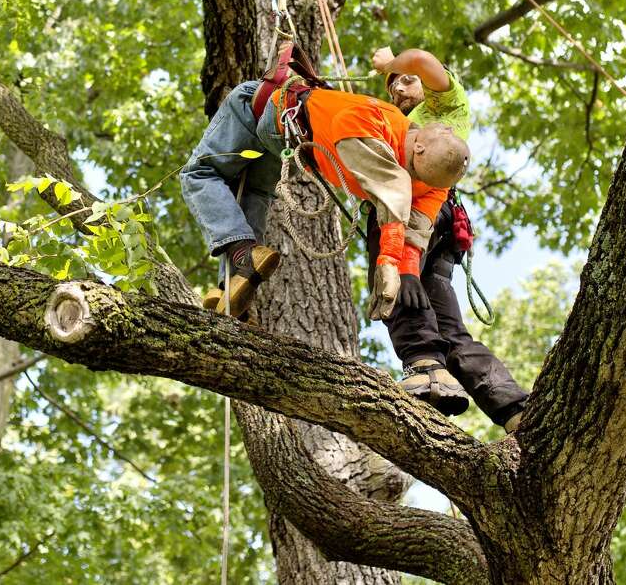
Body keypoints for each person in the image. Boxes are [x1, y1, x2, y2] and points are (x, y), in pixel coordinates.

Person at [179, 43, 470, 328]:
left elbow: (396, 197)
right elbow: (411, 229)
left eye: (443, 130)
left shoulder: (380, 121)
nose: (444, 126)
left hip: (270, 112)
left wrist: (395, 265)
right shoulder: (431, 184)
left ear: (420, 148)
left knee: (198, 174)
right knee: (254, 193)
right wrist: (399, 267)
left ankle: (242, 254)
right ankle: (234, 286)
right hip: (289, 140)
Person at [370, 46, 528, 431]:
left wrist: (389, 65)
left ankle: (424, 364)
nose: (400, 89)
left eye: (407, 82)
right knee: (448, 325)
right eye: (393, 87)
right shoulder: (394, 123)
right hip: (443, 229)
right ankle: (513, 409)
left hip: (417, 213)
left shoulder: (445, 108)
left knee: (394, 280)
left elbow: (422, 62)